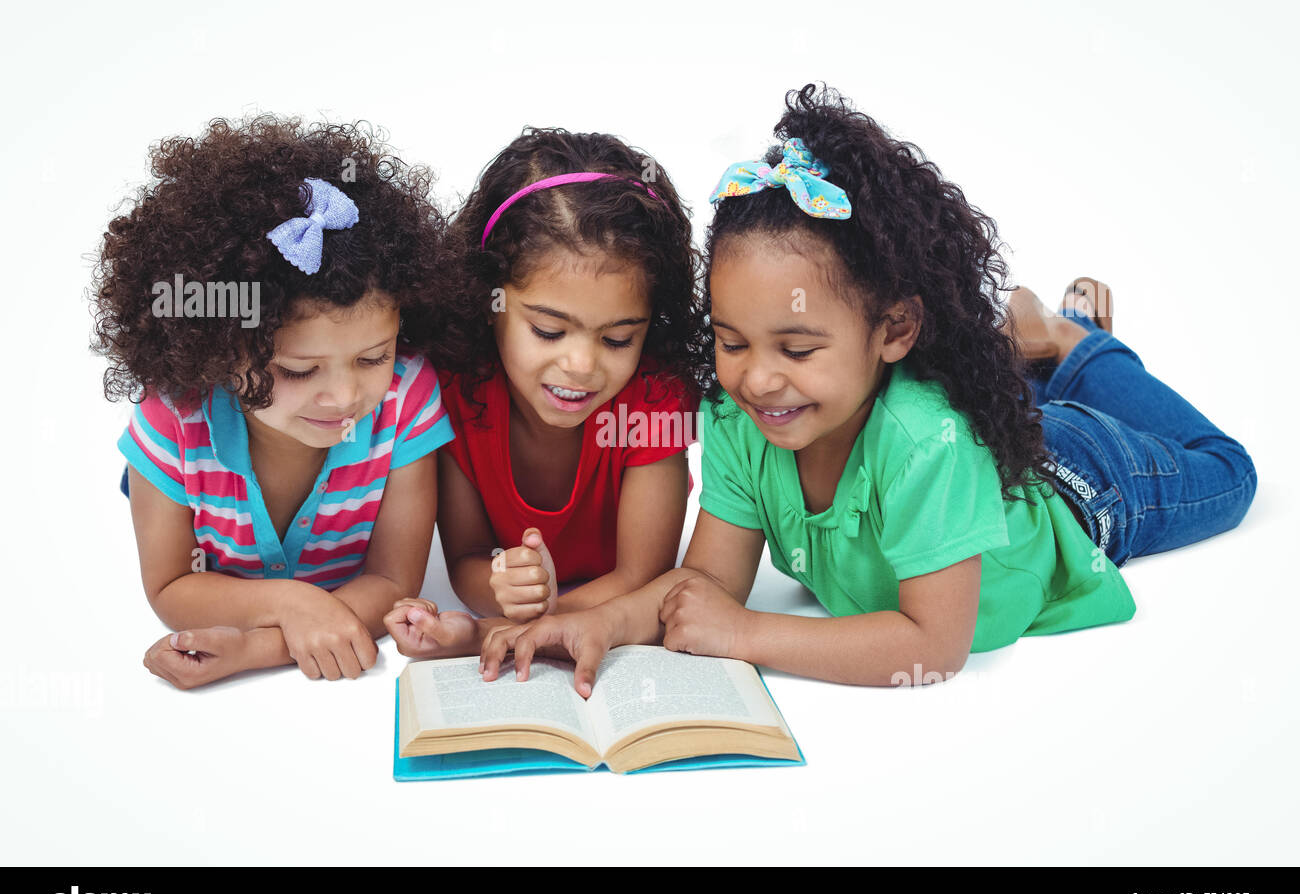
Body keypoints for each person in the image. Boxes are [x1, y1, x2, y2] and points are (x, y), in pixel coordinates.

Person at [477, 84, 1257, 695]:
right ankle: (1019, 350)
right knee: (1005, 404)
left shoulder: (925, 445)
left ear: (894, 330)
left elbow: (934, 646)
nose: (756, 377)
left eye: (797, 347)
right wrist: (605, 625)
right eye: (731, 341)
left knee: (1228, 472)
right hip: (993, 442)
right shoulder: (741, 417)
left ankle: (1073, 343)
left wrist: (747, 635)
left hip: (1080, 484)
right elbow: (707, 584)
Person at [96, 115, 461, 688]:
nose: (345, 396)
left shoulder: (407, 395)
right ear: (218, 348)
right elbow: (172, 587)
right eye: (298, 369)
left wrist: (259, 646)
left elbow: (393, 581)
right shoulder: (173, 418)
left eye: (373, 357)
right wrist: (293, 603)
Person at [383, 128, 710, 658]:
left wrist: (516, 626)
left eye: (618, 339)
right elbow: (466, 559)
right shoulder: (457, 390)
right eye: (549, 331)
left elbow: (642, 577)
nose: (581, 366)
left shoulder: (655, 400)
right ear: (488, 300)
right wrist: (501, 586)